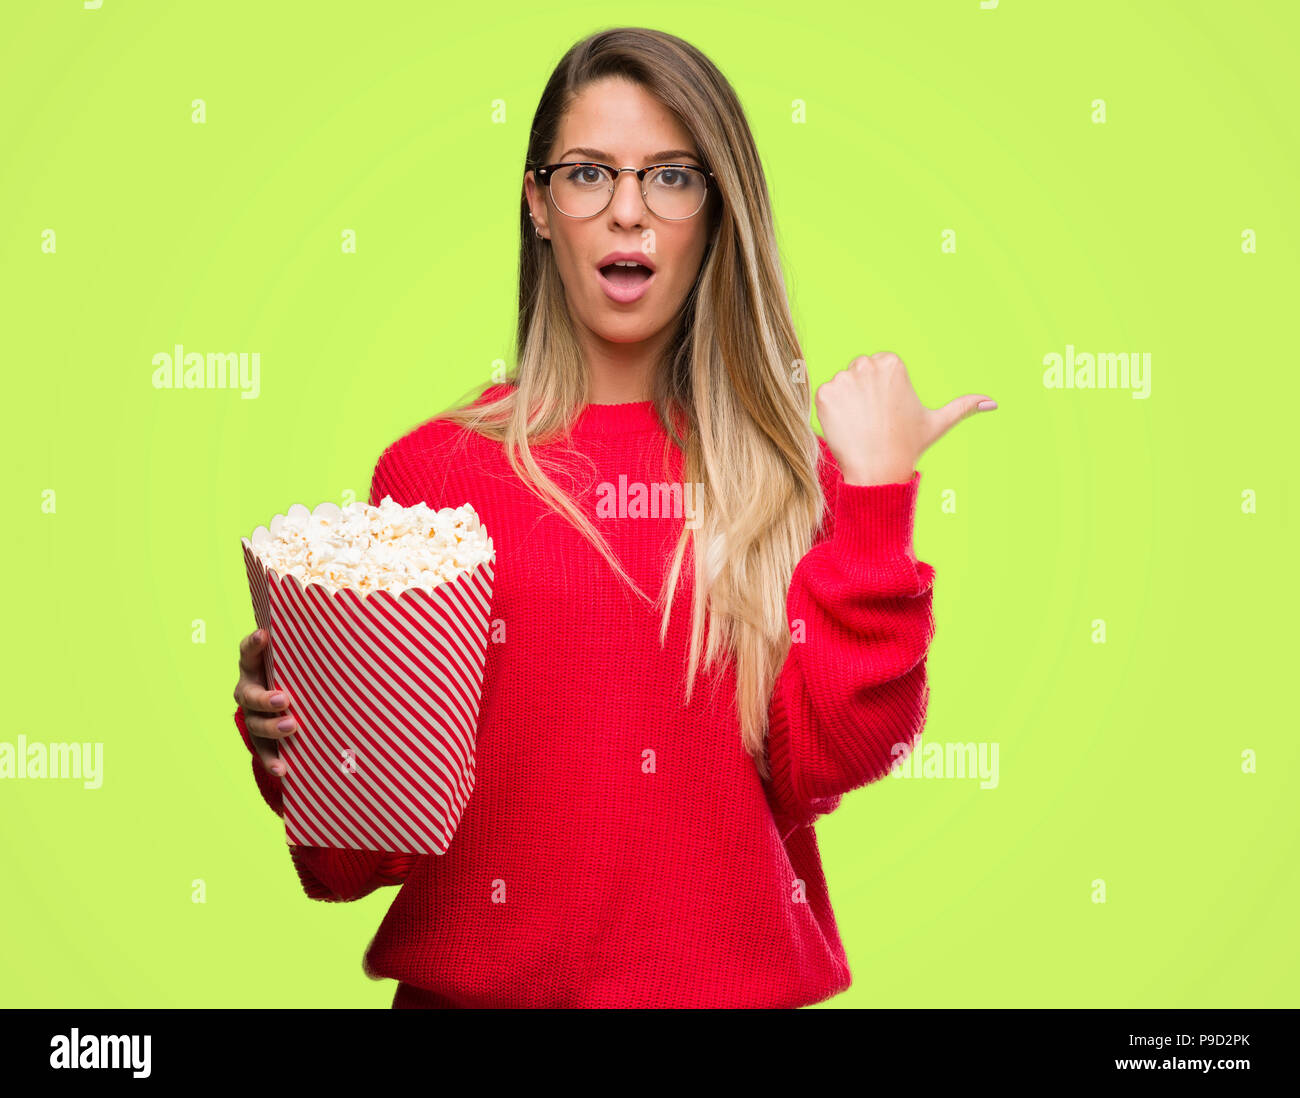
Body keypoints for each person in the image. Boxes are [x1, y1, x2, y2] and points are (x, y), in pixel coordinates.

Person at [232, 26, 996, 1009]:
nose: (628, 212)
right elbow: (348, 862)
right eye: (589, 174)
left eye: (671, 178)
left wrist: (876, 500)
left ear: (714, 212)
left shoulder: (779, 474)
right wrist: (301, 738)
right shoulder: (433, 474)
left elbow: (830, 764)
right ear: (538, 204)